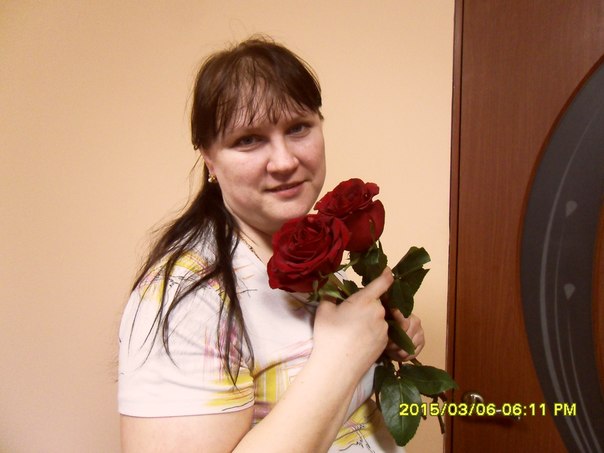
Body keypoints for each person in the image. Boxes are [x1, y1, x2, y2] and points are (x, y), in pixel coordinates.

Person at [118, 36, 425, 452]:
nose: (284, 162)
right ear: (209, 158)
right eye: (248, 139)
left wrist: (379, 339)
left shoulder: (299, 251)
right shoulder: (186, 296)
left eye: (298, 128)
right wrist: (344, 356)